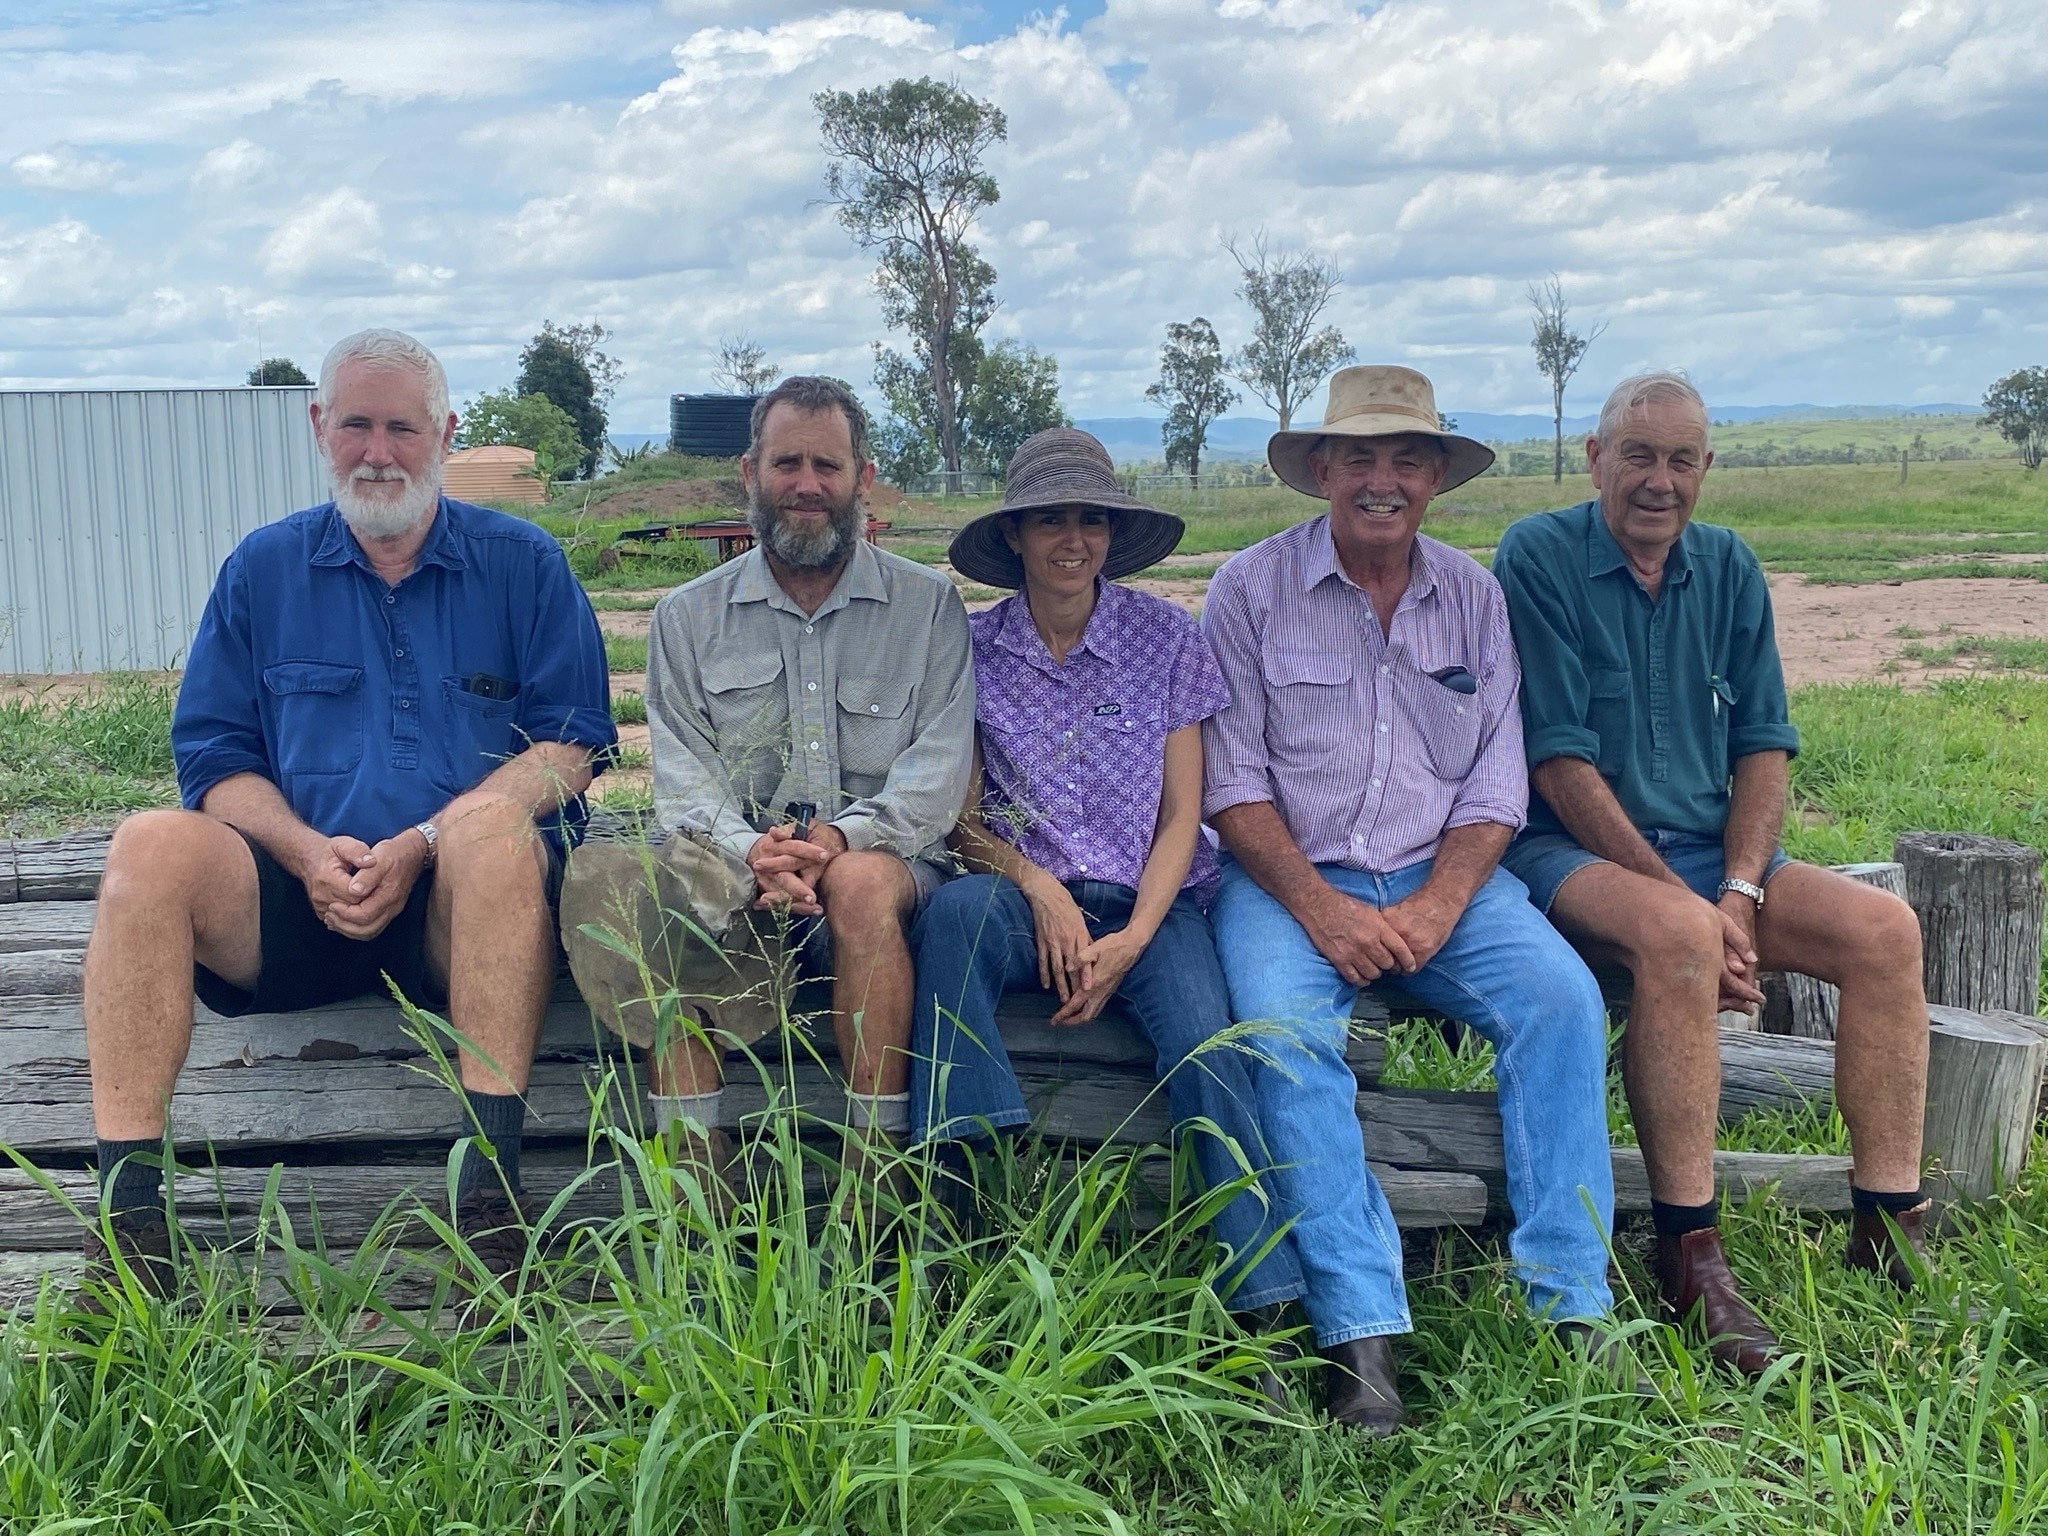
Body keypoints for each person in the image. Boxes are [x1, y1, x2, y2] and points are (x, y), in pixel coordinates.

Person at [80, 327, 617, 1300]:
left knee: (495, 829)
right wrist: (298, 850)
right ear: (319, 426)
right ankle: (131, 1230)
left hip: (465, 913)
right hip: (297, 897)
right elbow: (213, 758)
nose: (379, 452)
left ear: (446, 433)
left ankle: (489, 1202)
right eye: (358, 426)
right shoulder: (262, 569)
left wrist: (424, 843)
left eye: (403, 429)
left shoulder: (525, 565)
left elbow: (571, 747)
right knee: (148, 844)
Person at [1201, 364, 1623, 1433]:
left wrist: (1438, 904)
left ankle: (1572, 1304)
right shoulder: (1246, 590)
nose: (1379, 480)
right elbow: (1231, 784)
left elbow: (1494, 780)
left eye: (1404, 458)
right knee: (1283, 1038)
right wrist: (1321, 909)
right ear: (1321, 472)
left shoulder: (1472, 596)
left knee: (1561, 1003)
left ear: (1434, 474)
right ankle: (1359, 1333)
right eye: (1358, 457)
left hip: (1445, 883)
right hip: (1289, 882)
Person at [1492, 371, 1932, 1375]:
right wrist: (1696, 908)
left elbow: (1763, 748)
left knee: (1883, 933)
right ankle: (1689, 1251)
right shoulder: (1539, 555)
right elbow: (1558, 764)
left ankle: (1889, 1222)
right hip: (1566, 851)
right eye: (1637, 456)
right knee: (1678, 936)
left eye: (1680, 459)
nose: (1659, 481)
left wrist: (1737, 887)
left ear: (1705, 467)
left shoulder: (1727, 566)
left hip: (1710, 861)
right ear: (1594, 458)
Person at [909, 428, 1318, 1412]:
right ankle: (960, 1213)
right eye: (1051, 518)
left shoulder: (1166, 641)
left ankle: (1266, 1311)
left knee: (1212, 1051)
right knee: (956, 917)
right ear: (1014, 535)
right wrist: (1037, 888)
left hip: (1151, 901)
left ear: (1111, 534)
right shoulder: (971, 649)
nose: (1072, 538)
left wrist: (1135, 930)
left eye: (1089, 518)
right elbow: (960, 821)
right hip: (1023, 897)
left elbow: (1186, 813)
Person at [559, 376, 973, 1203]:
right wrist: (753, 851)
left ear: (863, 475)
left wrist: (837, 842)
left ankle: (875, 1183)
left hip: (881, 865)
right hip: (736, 860)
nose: (808, 485)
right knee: (650, 881)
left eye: (829, 464)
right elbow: (680, 776)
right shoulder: (686, 616)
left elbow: (938, 773)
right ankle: (695, 1185)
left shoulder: (929, 609)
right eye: (788, 463)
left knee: (856, 884)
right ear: (749, 473)